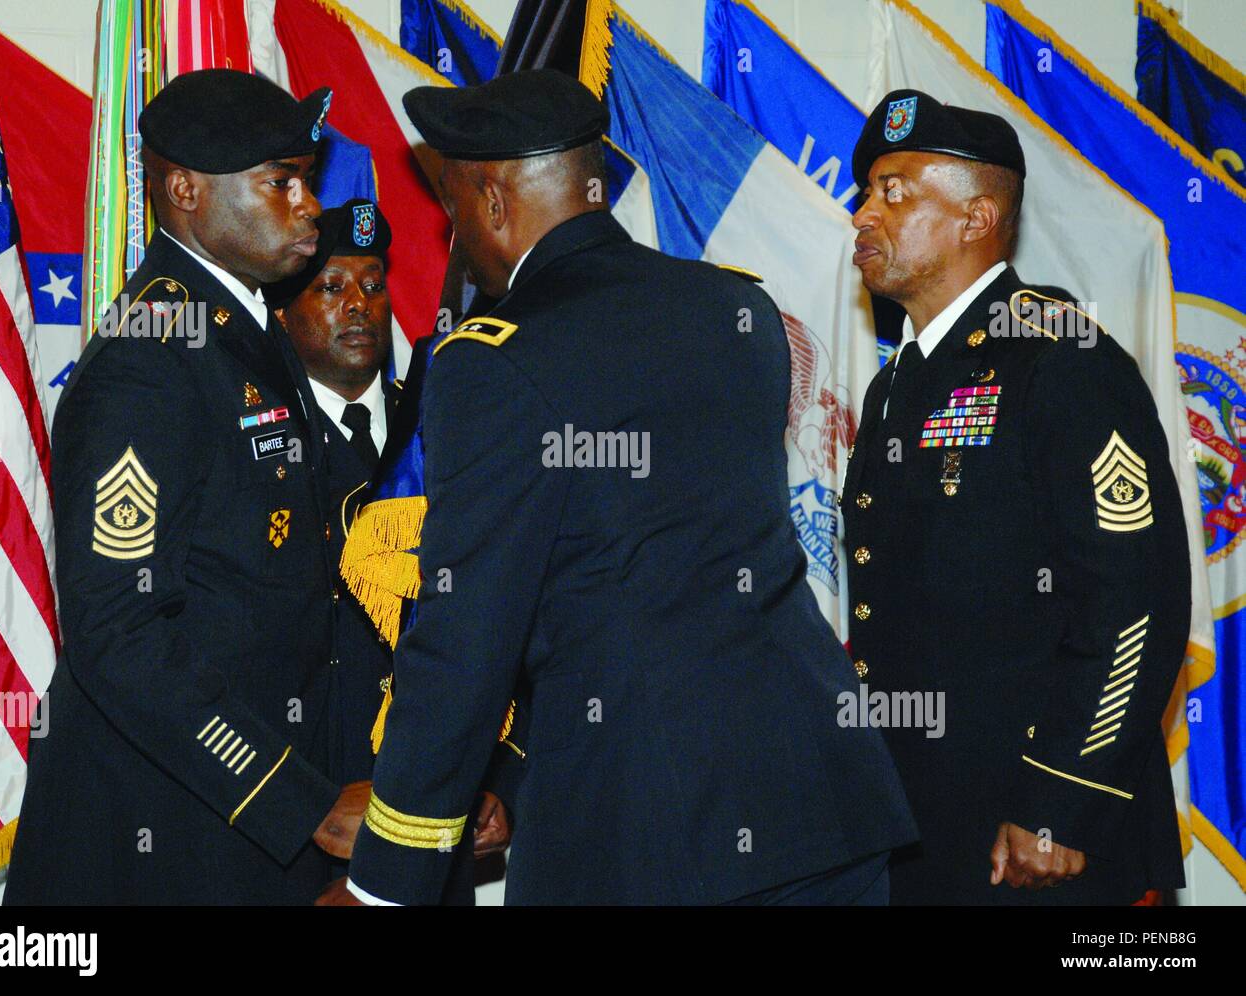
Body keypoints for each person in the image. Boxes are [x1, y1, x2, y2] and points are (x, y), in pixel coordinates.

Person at [322, 68, 916, 906]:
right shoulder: (736, 312)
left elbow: (465, 638)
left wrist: (385, 882)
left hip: (648, 837)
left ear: (492, 200)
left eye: (452, 205)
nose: (454, 233)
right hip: (822, 798)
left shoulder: (493, 364)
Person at [6, 69, 359, 904]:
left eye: (305, 180)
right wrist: (292, 797)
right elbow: (118, 626)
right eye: (281, 182)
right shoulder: (150, 357)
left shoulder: (242, 329)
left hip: (249, 815)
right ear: (187, 192)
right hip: (165, 829)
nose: (309, 205)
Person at [842, 89, 1191, 904]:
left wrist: (1062, 801)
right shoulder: (897, 385)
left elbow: (1136, 601)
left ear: (977, 218)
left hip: (1043, 847)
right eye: (864, 194)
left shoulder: (1060, 360)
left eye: (894, 192)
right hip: (925, 827)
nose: (863, 215)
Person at [265, 200, 516, 903]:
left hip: (437, 800)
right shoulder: (260, 444)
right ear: (284, 313)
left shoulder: (446, 430)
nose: (359, 306)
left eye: (373, 286)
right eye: (331, 287)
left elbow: (503, 612)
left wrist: (498, 778)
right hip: (311, 810)